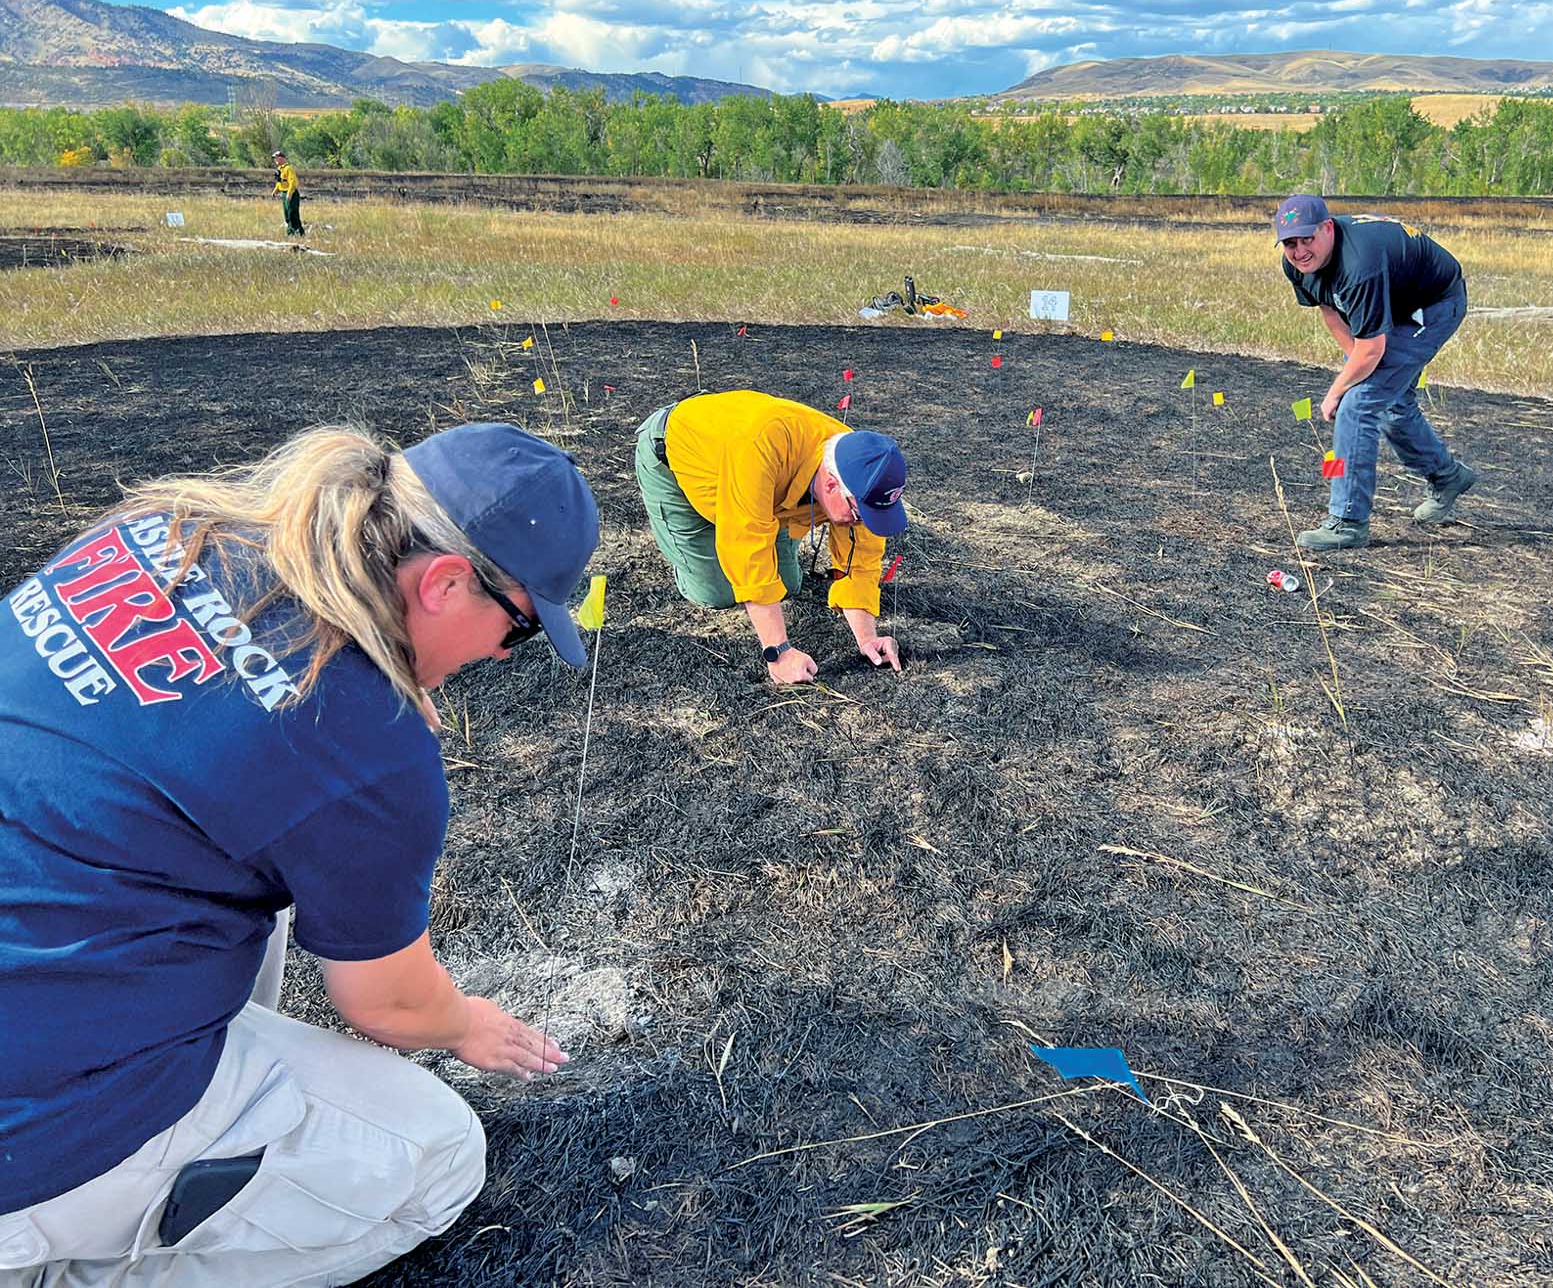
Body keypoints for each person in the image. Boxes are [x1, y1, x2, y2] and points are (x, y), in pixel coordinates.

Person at [0, 421, 599, 1285]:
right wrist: (466, 1022)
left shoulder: (167, 529)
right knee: (439, 1158)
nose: (500, 657)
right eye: (519, 630)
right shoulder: (363, 743)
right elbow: (388, 1008)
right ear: (444, 583)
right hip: (34, 1127)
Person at [634, 390, 905, 684]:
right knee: (716, 594)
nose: (862, 521)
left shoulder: (861, 469)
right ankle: (689, 548)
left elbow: (860, 561)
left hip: (755, 478)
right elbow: (748, 550)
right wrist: (780, 652)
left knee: (787, 585)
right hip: (674, 455)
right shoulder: (759, 448)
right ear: (829, 485)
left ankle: (735, 518)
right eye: (859, 512)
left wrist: (867, 638)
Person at [1275, 194, 1478, 551]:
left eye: (1307, 239)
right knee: (1388, 402)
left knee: (1357, 405)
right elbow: (1330, 309)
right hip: (1393, 299)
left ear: (1327, 228)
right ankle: (1448, 477)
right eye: (1290, 242)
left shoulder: (1359, 265)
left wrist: (1340, 387)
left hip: (1433, 304)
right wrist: (1359, 366)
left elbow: (1373, 349)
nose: (1299, 250)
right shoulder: (1298, 265)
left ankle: (1348, 522)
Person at [271, 150, 303, 238]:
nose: (275, 160)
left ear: (281, 158)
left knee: (292, 213)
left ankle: (296, 232)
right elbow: (280, 182)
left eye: (276, 158)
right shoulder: (280, 169)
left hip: (291, 193)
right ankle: (293, 233)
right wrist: (275, 191)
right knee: (287, 214)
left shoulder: (288, 168)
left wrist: (289, 194)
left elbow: (292, 182)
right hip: (284, 193)